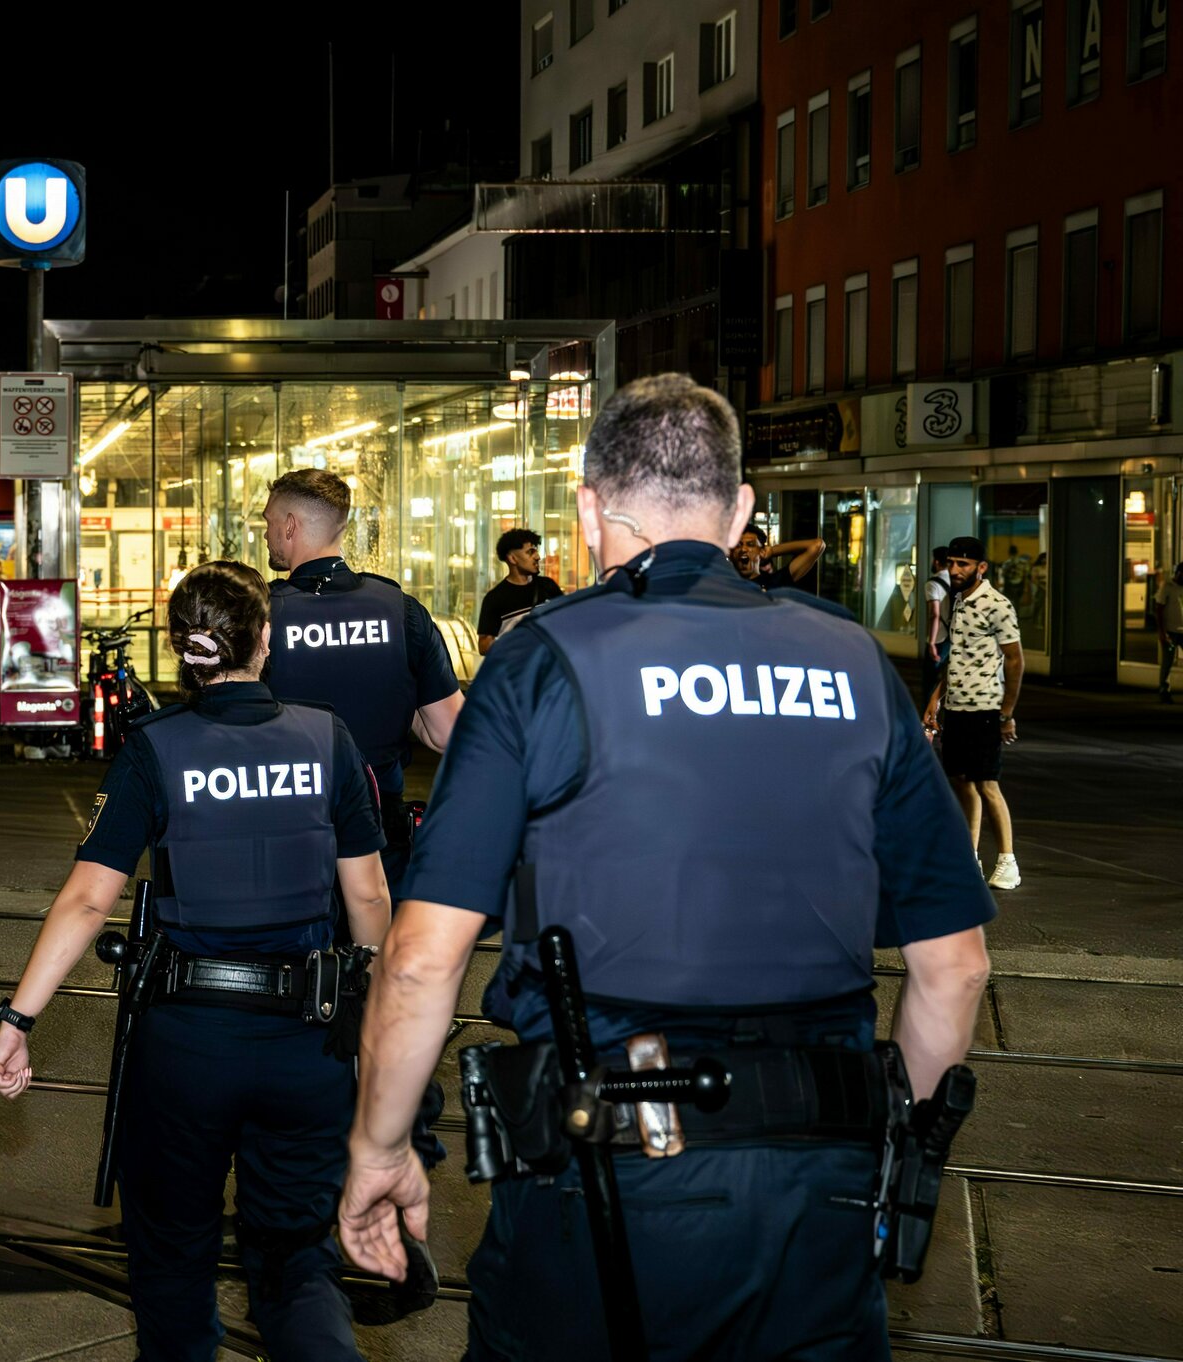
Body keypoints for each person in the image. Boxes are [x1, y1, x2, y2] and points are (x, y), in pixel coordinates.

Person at [337, 374, 996, 1362]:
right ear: (738, 512)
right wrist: (883, 1165)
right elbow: (953, 968)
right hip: (813, 1187)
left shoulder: (540, 661)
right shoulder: (855, 664)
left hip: (602, 1179)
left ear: (589, 504)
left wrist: (376, 1148)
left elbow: (422, 958)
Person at [0, 561, 391, 1362]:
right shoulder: (327, 739)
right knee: (298, 1262)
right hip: (306, 1045)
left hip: (186, 1047)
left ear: (183, 652)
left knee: (172, 1258)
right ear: (266, 642)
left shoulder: (155, 750)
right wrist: (375, 1009)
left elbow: (85, 900)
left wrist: (19, 1017)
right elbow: (370, 896)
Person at [258, 468, 462, 892]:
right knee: (375, 952)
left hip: (286, 827)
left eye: (269, 522)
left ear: (291, 526)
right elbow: (446, 733)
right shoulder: (401, 611)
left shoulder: (262, 618)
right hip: (379, 831)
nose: (266, 533)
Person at [926, 537, 1024, 890]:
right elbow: (957, 658)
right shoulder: (958, 601)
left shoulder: (997, 605)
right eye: (951, 563)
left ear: (981, 567)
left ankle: (1008, 861)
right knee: (962, 782)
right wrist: (935, 700)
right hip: (956, 709)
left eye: (963, 564)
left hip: (985, 708)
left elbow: (1015, 659)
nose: (954, 570)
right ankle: (970, 858)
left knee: (987, 784)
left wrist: (1006, 713)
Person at [475, 528, 565, 653]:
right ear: (512, 559)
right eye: (530, 552)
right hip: (519, 669)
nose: (537, 557)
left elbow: (566, 620)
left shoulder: (548, 586)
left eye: (536, 551)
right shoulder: (495, 598)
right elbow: (483, 646)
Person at [731, 522, 825, 590]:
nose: (743, 549)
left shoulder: (774, 582)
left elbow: (817, 545)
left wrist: (772, 551)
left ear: (761, 551)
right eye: (738, 545)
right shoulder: (723, 581)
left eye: (750, 544)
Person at [924, 546, 953, 709]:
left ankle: (928, 719)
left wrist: (931, 642)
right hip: (953, 637)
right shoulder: (955, 580)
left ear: (936, 562)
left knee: (931, 681)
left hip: (940, 638)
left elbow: (934, 614)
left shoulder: (932, 584)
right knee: (948, 679)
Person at [1155, 560, 1182, 703]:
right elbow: (1159, 609)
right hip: (1171, 631)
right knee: (1168, 661)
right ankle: (1164, 690)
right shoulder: (1168, 587)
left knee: (1168, 661)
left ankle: (1165, 689)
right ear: (1178, 573)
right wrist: (1162, 632)